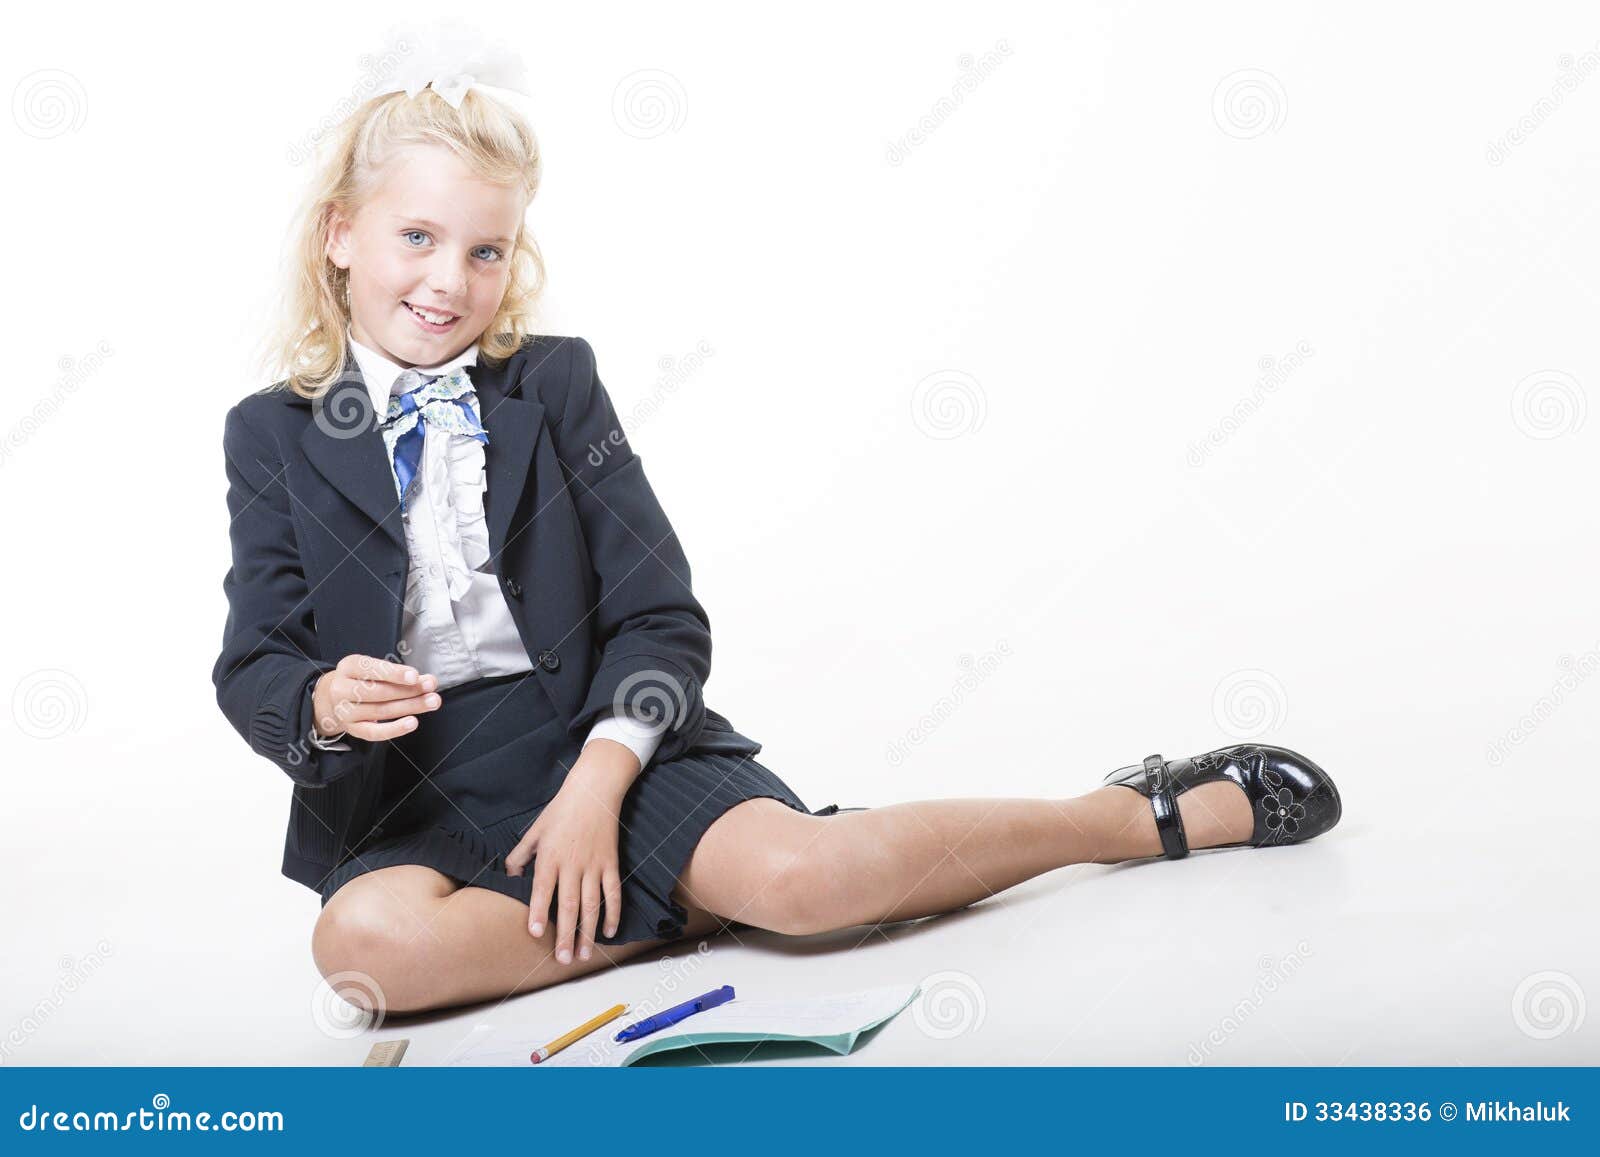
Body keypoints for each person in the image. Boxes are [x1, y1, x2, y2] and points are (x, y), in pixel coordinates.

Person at [212, 58, 1341, 1019]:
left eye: (487, 251)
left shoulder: (555, 384)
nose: (450, 280)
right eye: (418, 235)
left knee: (808, 879)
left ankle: (1122, 815)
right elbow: (256, 656)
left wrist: (601, 783)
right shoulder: (269, 434)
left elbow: (657, 611)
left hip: (593, 735)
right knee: (364, 952)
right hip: (418, 789)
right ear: (340, 235)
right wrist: (314, 702)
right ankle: (694, 908)